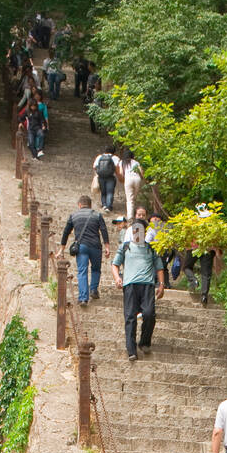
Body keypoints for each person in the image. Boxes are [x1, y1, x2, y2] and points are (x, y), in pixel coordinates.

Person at [111, 221, 166, 360]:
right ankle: (131, 350)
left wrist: (161, 284)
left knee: (149, 314)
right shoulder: (126, 247)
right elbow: (115, 264)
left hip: (147, 285)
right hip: (130, 285)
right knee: (130, 316)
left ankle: (145, 342)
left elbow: (159, 267)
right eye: (135, 230)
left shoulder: (151, 249)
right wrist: (117, 278)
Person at [59, 195, 110, 306]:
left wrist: (61, 249)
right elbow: (104, 230)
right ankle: (93, 290)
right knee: (96, 269)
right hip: (96, 246)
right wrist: (107, 247)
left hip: (81, 247)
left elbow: (66, 232)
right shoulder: (97, 215)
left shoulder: (73, 216)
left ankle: (83, 298)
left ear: (80, 205)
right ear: (90, 205)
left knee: (82, 271)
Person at [119, 149, 143, 222]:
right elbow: (141, 172)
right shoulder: (136, 162)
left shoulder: (122, 162)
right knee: (134, 198)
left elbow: (121, 173)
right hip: (137, 179)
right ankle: (134, 213)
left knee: (129, 200)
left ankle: (130, 217)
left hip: (128, 179)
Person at [93, 146, 119, 212]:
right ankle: (108, 207)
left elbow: (94, 166)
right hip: (110, 177)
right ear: (114, 152)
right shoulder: (115, 158)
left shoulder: (99, 157)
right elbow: (117, 168)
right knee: (110, 192)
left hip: (101, 176)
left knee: (103, 192)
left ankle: (104, 205)